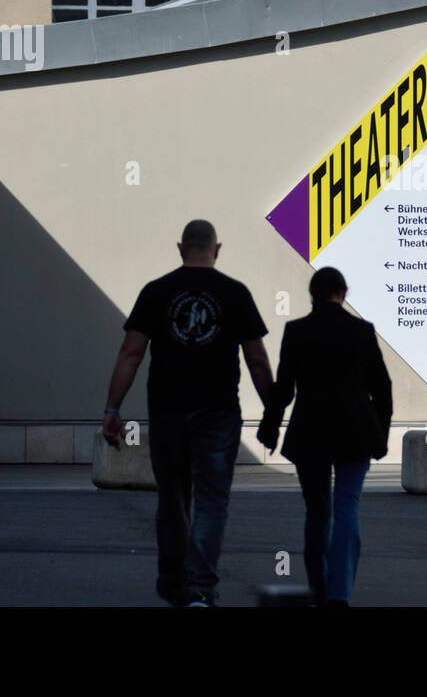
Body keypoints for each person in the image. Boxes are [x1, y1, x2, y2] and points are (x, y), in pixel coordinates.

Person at [102, 219, 274, 607]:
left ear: (181, 248)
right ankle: (199, 587)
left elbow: (130, 353)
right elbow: (257, 360)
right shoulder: (235, 293)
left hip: (167, 411)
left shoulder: (156, 291)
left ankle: (173, 581)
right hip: (218, 411)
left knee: (173, 497)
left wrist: (112, 409)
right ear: (217, 249)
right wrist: (273, 412)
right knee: (213, 499)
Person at [258, 267, 392, 607]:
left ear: (312, 294)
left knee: (317, 510)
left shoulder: (296, 331)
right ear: (344, 292)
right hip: (356, 432)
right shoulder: (362, 331)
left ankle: (318, 587)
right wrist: (381, 434)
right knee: (348, 507)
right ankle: (339, 593)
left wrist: (270, 428)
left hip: (310, 431)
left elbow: (284, 389)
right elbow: (382, 387)